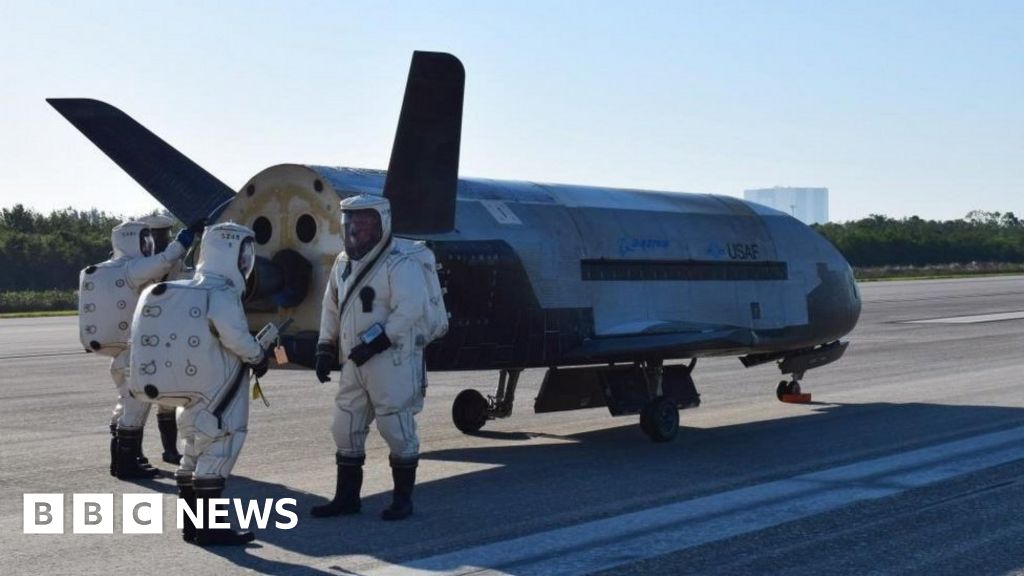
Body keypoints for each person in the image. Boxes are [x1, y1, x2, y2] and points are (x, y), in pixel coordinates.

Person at [129, 221, 268, 545]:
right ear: (235, 253)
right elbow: (235, 337)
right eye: (245, 253)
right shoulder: (221, 293)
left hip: (190, 398)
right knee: (217, 454)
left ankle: (192, 527)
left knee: (191, 457)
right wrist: (258, 355)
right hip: (218, 398)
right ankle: (210, 528)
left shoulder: (188, 288)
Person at [312, 194, 430, 521]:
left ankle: (402, 501)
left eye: (364, 225)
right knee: (345, 426)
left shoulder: (399, 262)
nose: (356, 232)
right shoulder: (342, 263)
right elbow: (330, 307)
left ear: (381, 225)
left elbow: (410, 309)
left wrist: (378, 342)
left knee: (396, 425)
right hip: (354, 360)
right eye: (351, 225)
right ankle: (347, 498)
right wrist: (325, 347)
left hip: (391, 359)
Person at [78, 220, 194, 479]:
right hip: (132, 354)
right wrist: (185, 240)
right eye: (145, 240)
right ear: (133, 241)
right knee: (135, 410)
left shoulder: (104, 269)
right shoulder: (130, 270)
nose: (148, 245)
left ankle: (121, 461)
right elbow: (165, 260)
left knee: (124, 407)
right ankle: (127, 465)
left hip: (118, 354)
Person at [139, 213, 190, 465]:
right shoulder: (144, 262)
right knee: (138, 402)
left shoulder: (174, 257)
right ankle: (133, 453)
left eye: (166, 233)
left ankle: (169, 450)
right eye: (159, 234)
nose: (163, 238)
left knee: (167, 398)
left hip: (172, 333)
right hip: (149, 335)